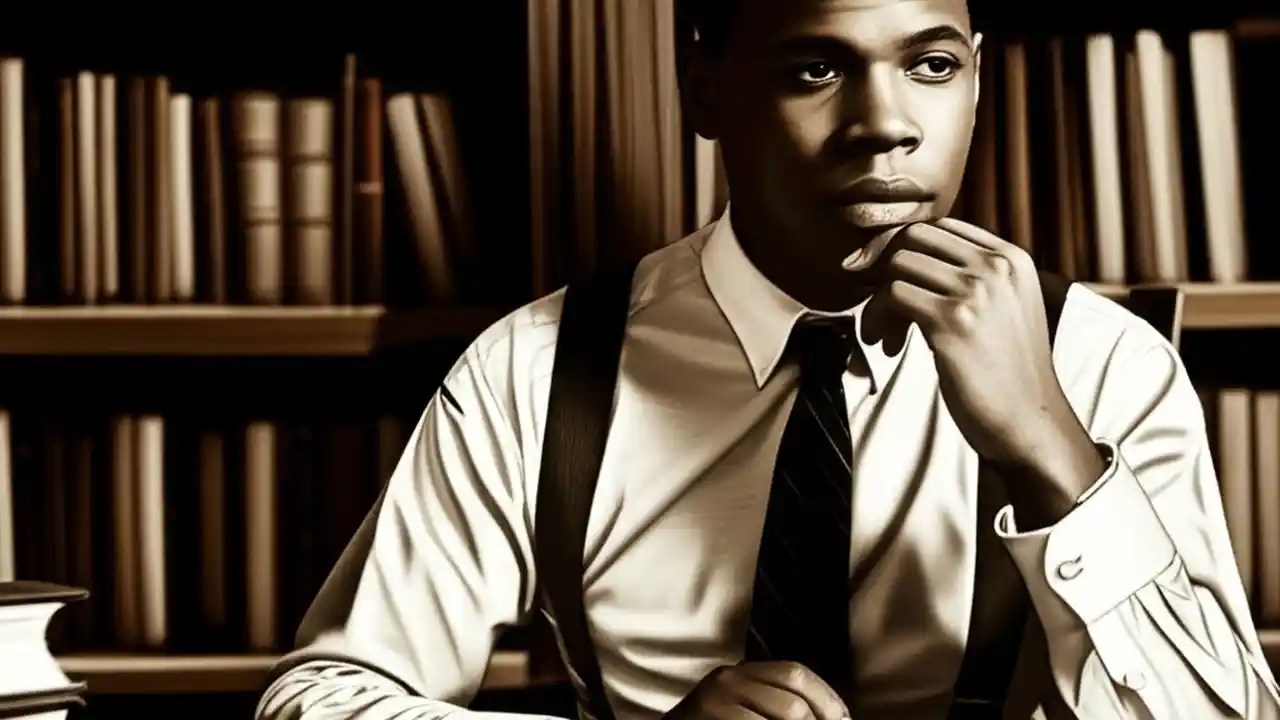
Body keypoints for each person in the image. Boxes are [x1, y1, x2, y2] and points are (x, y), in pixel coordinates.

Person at [255, 0, 1280, 718]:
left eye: (930, 65)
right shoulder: (533, 370)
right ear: (703, 90)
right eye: (815, 68)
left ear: (975, 76)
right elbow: (319, 700)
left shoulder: (1104, 364)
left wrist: (1051, 450)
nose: (882, 127)